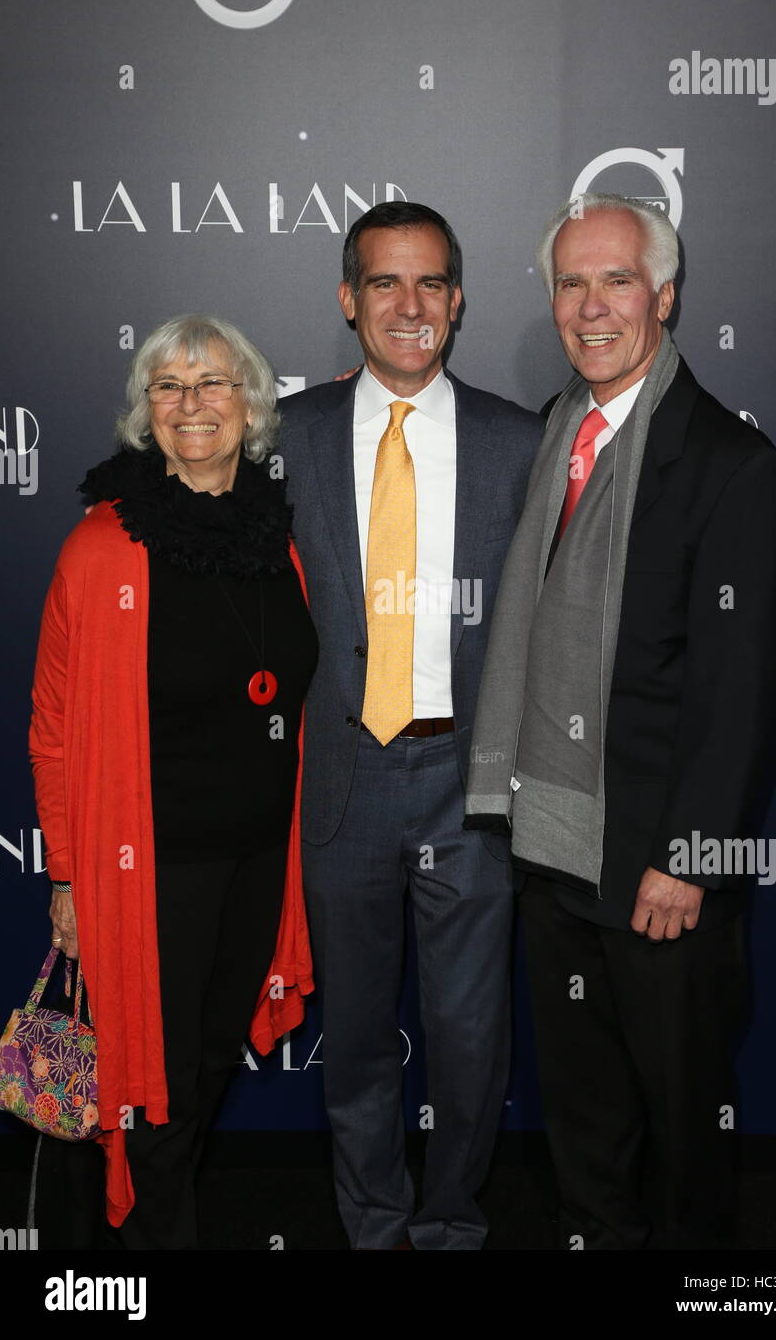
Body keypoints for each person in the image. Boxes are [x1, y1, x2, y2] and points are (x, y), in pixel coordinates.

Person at [465, 193, 776, 1249]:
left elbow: (741, 689)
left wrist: (685, 857)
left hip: (660, 875)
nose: (591, 305)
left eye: (616, 280)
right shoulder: (554, 439)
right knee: (585, 1127)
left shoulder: (730, 467)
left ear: (664, 294)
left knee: (683, 1142)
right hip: (555, 849)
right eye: (571, 283)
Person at [279, 201, 544, 1249]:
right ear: (348, 301)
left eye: (429, 282)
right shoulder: (287, 436)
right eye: (384, 282)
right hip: (341, 776)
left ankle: (448, 1222)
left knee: (470, 1032)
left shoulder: (513, 439)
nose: (408, 304)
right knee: (352, 1037)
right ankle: (372, 1221)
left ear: (459, 300)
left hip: (465, 776)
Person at [29, 314, 317, 1249]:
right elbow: (54, 729)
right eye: (169, 386)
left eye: (214, 385)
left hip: (260, 859)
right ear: (145, 410)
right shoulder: (103, 545)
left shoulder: (283, 533)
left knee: (196, 1071)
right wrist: (67, 874)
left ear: (252, 405)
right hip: (145, 868)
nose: (193, 405)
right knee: (154, 1078)